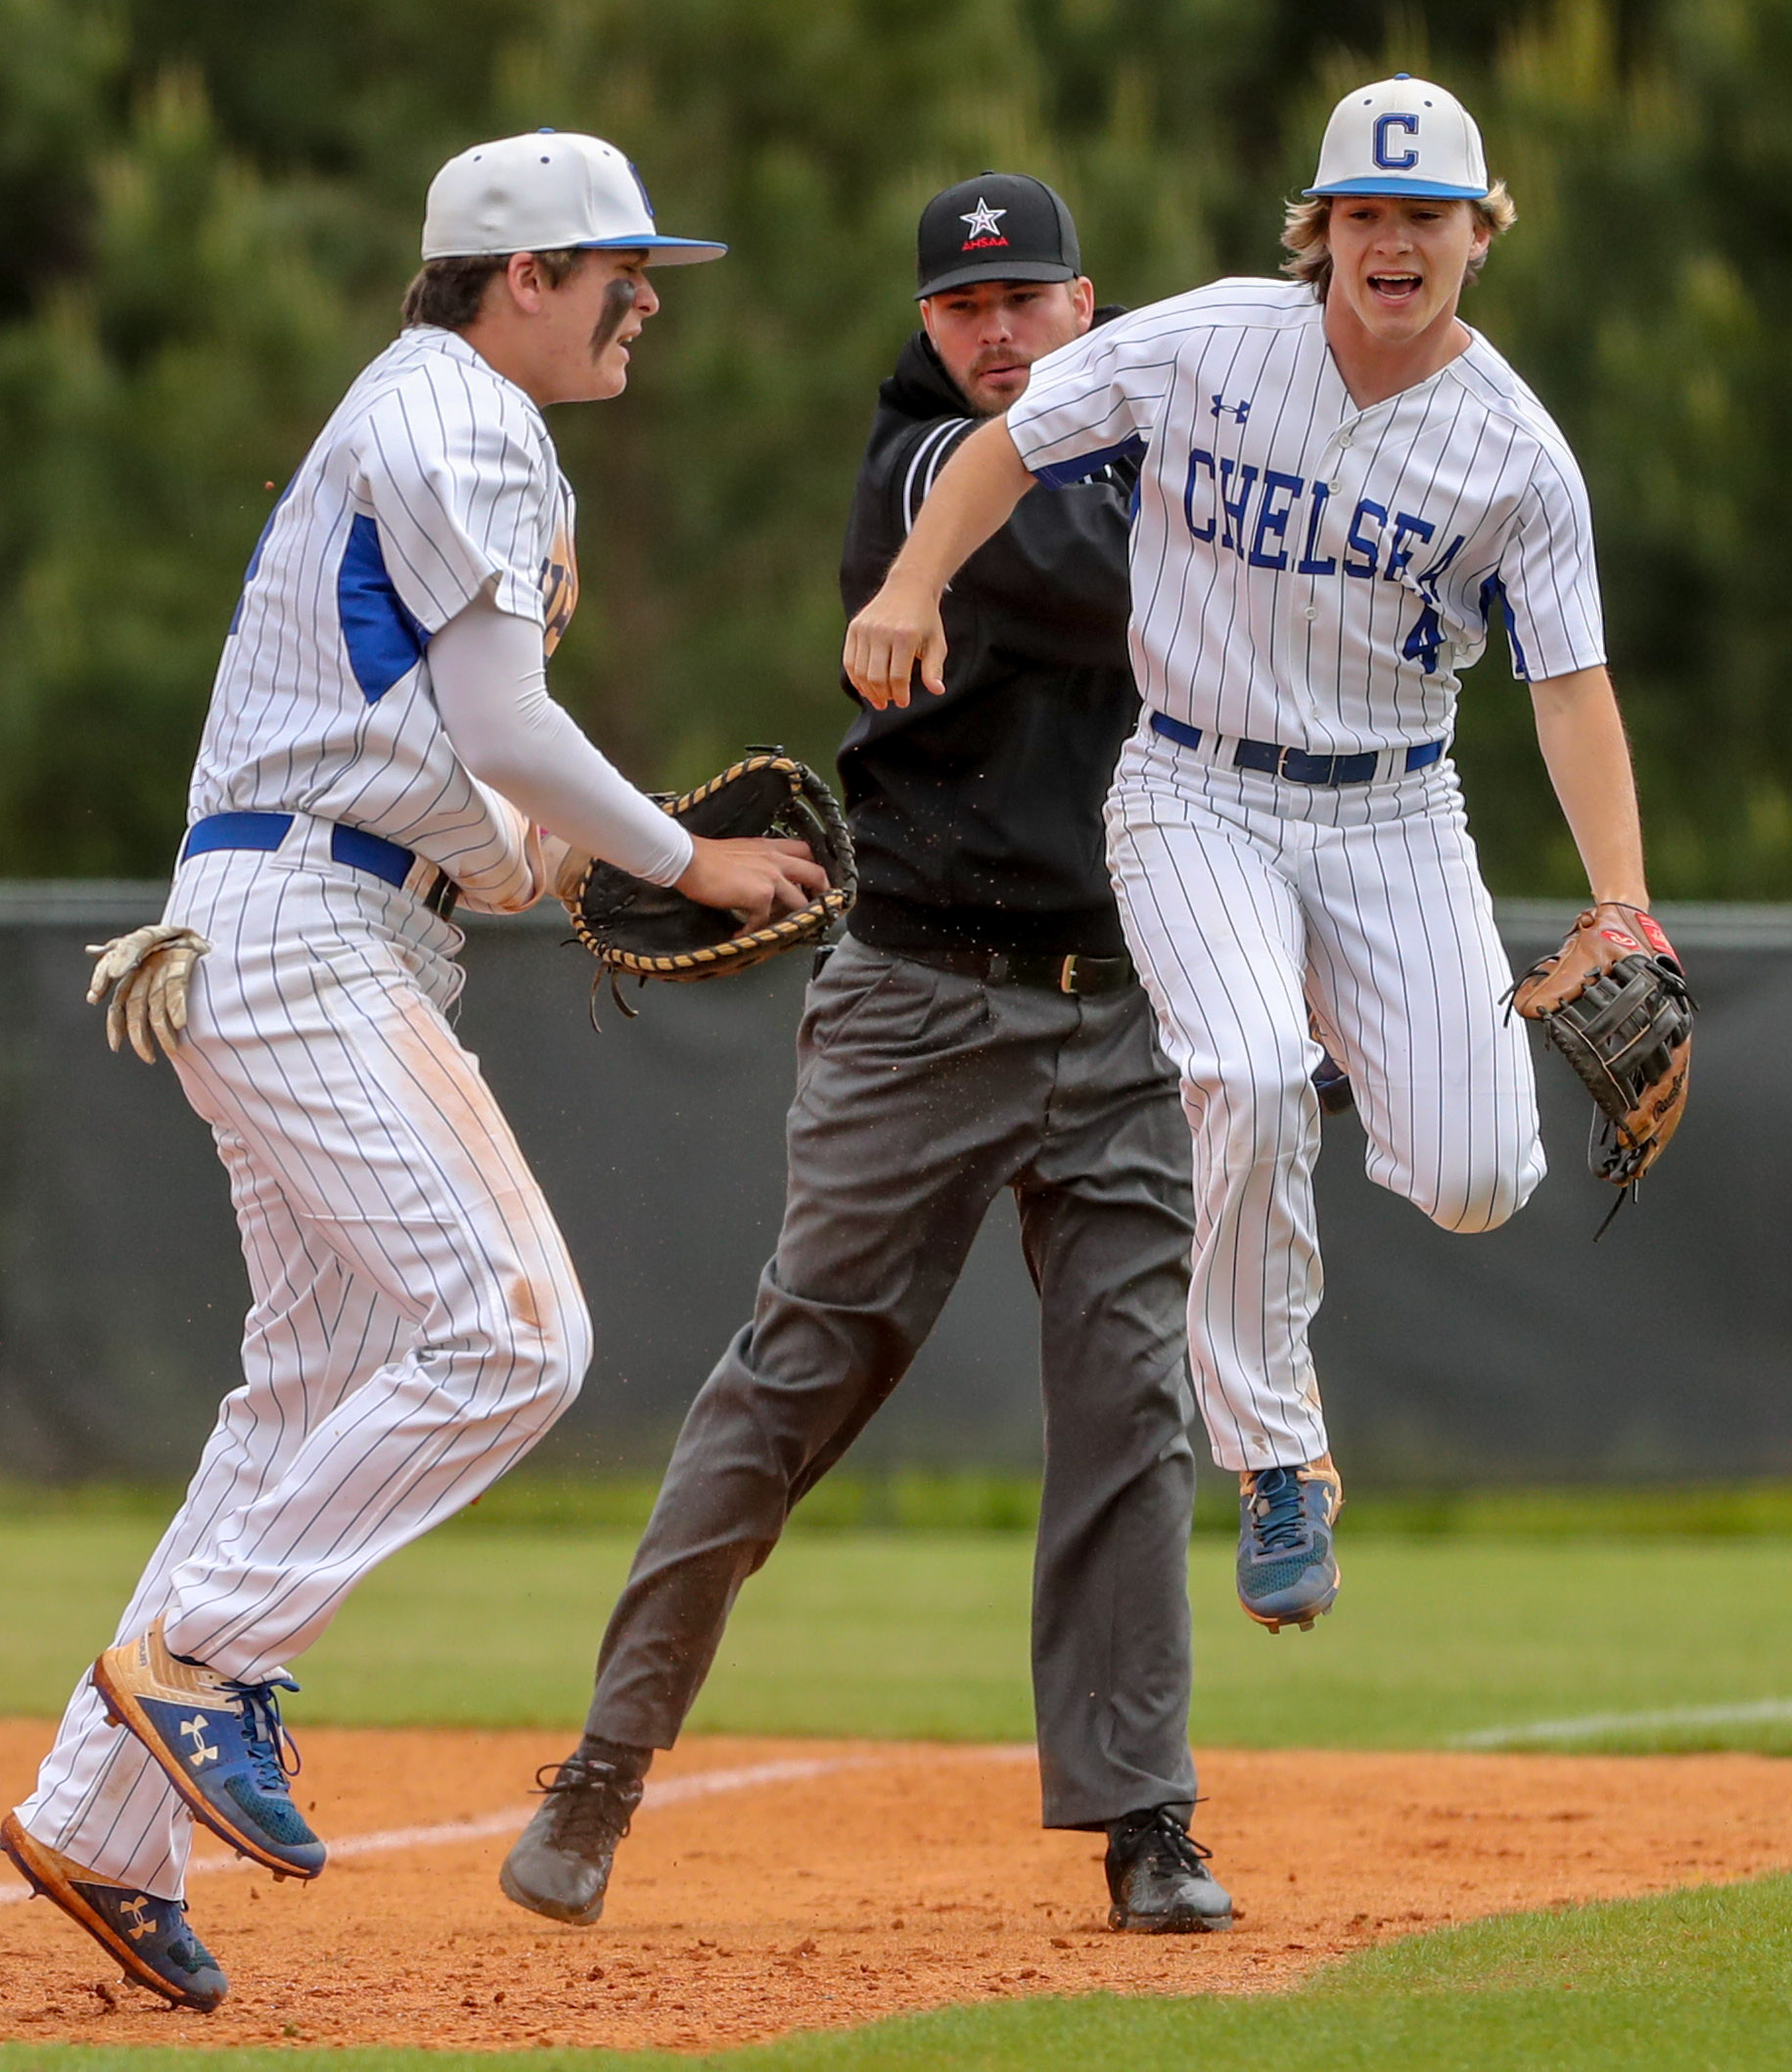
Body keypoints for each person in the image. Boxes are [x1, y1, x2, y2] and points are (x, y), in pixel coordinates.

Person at [1, 129, 826, 2013]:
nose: (646, 297)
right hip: (302, 935)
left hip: (301, 921)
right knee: (518, 1328)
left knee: (302, 1392)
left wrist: (571, 853)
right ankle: (206, 1649)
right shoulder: (459, 405)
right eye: (619, 267)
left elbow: (462, 772)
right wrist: (682, 858)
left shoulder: (443, 422)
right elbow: (502, 720)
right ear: (514, 277)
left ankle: (98, 1823)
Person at [497, 173, 1232, 1939]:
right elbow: (1151, 597)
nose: (994, 331)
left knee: (1137, 1407)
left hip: (1127, 1000)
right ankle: (603, 1765)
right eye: (964, 307)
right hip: (926, 1002)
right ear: (929, 326)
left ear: (1087, 306)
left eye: (1026, 300)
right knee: (795, 1378)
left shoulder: (1158, 447)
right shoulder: (927, 472)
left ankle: (1148, 1821)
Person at [844, 79, 1658, 1637]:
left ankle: (1338, 1045)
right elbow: (1009, 443)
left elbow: (1572, 688)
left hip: (1396, 815)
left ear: (1478, 237)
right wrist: (913, 582)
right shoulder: (1213, 336)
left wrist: (1623, 902)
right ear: (1322, 232)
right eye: (1367, 214)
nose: (1394, 243)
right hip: (1194, 788)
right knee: (1248, 1075)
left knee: (1482, 1176)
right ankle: (1278, 1457)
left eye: (1428, 217)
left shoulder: (1516, 455)